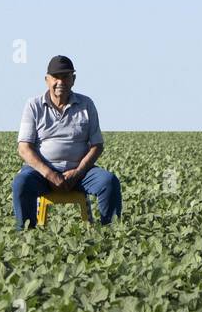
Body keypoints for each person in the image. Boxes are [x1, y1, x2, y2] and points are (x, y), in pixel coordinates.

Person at [12, 55, 123, 228]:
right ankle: (26, 234)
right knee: (21, 183)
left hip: (80, 173)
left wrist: (78, 172)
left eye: (66, 77)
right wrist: (50, 174)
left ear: (73, 79)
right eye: (56, 77)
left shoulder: (86, 104)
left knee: (109, 182)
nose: (60, 82)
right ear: (47, 80)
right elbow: (24, 148)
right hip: (41, 173)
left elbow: (97, 146)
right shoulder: (33, 105)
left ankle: (111, 232)